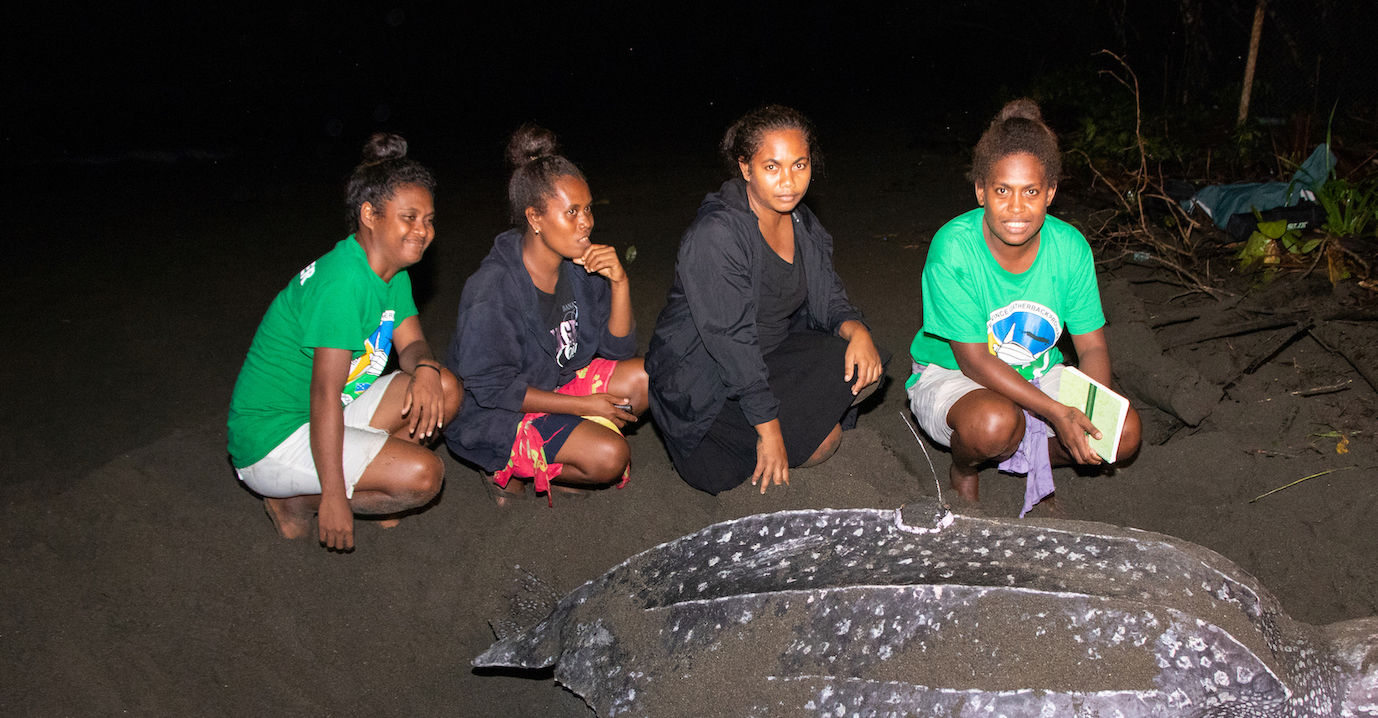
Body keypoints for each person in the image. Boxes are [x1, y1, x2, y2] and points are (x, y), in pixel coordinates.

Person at [227, 132, 464, 550]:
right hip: (273, 436)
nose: (422, 231)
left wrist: (425, 367)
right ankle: (299, 502)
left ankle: (378, 473)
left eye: (428, 219)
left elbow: (411, 345)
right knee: (423, 477)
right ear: (370, 215)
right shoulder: (343, 284)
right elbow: (322, 394)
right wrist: (335, 497)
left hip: (328, 408)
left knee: (443, 386)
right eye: (409, 217)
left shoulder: (392, 273)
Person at [906, 99, 1140, 512]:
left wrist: (1086, 413)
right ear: (981, 191)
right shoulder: (954, 249)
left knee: (1122, 434)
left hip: (1037, 371)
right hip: (955, 374)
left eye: (1031, 191)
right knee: (994, 424)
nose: (1017, 208)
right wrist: (1056, 412)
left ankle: (1036, 460)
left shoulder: (1070, 248)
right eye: (1002, 191)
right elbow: (974, 361)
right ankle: (965, 467)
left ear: (1050, 192)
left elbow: (1092, 347)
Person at [646, 105, 887, 494]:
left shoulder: (801, 221)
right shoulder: (718, 234)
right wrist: (769, 429)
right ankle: (772, 435)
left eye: (799, 165)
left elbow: (828, 298)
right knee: (823, 444)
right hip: (706, 383)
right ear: (745, 168)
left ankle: (799, 425)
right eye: (771, 167)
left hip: (769, 355)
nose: (788, 182)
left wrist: (856, 329)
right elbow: (730, 340)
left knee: (865, 365)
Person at [444, 124, 646, 502]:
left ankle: (559, 451)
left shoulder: (578, 266)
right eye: (571, 212)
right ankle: (502, 467)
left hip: (554, 385)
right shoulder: (492, 290)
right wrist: (583, 406)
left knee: (648, 376)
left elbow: (619, 351)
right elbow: (493, 389)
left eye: (587, 208)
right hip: (498, 415)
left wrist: (620, 283)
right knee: (610, 456)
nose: (585, 222)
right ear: (535, 218)